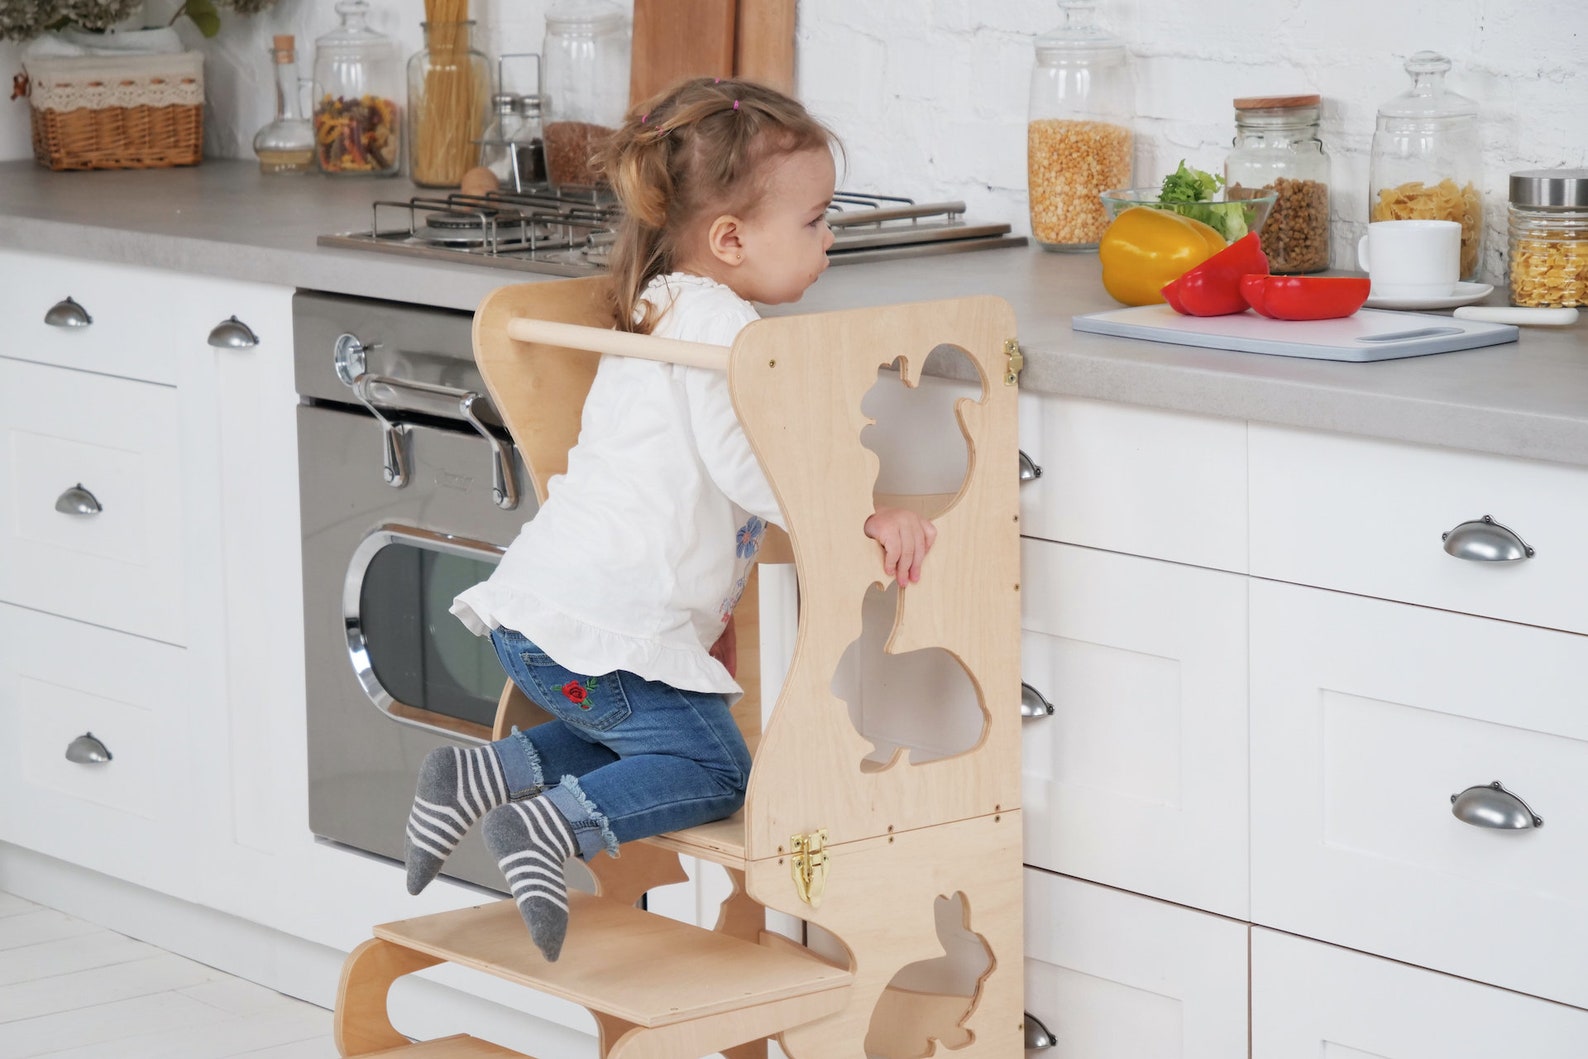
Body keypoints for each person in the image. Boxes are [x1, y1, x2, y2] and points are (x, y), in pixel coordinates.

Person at [401, 77, 937, 962]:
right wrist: (865, 515)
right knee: (716, 768)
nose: (829, 238)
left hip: (545, 616)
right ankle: (555, 827)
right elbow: (751, 464)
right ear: (730, 238)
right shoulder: (725, 327)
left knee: (629, 737)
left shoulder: (663, 297)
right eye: (814, 221)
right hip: (608, 627)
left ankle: (484, 774)